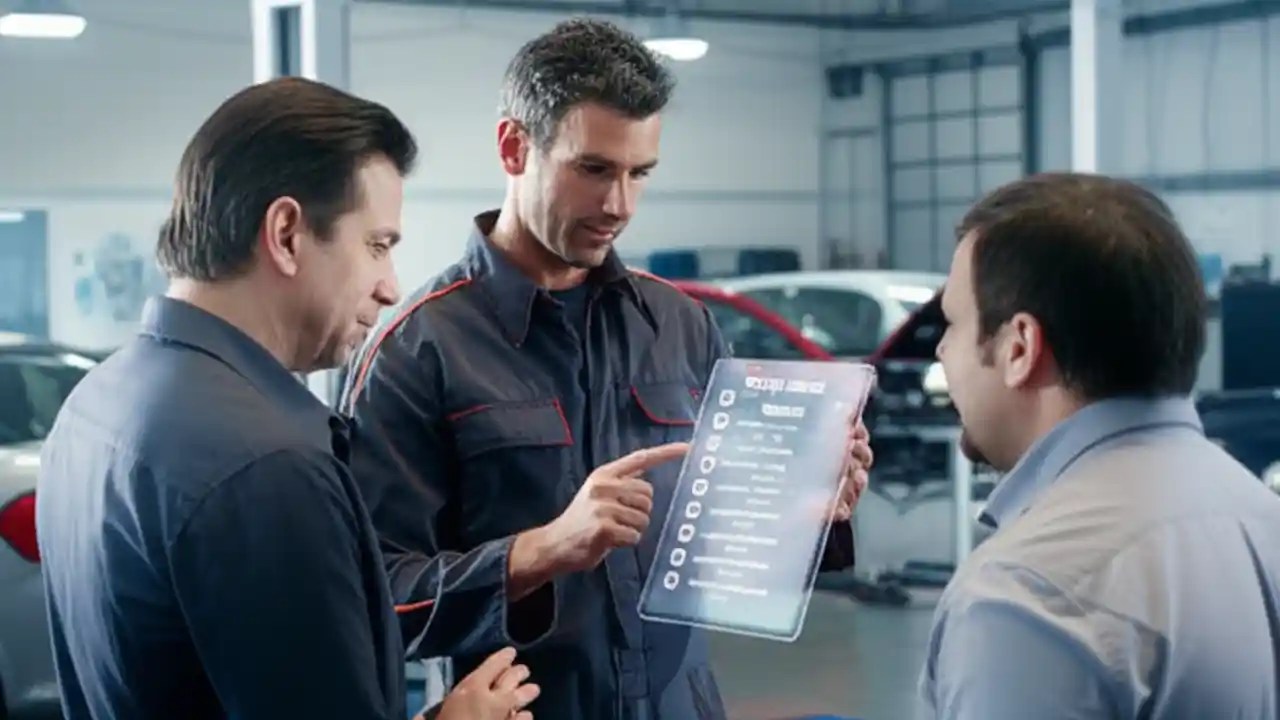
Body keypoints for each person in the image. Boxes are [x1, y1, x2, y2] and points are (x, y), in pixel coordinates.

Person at [340, 17, 874, 720]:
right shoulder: (419, 350)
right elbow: (375, 600)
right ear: (513, 147)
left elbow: (716, 549)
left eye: (639, 174)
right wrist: (543, 550)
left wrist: (808, 507)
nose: (619, 205)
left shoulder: (680, 326)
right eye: (593, 170)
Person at [35, 77, 537, 720]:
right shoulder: (268, 465)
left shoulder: (96, 403)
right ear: (287, 233)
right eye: (377, 246)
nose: (390, 287)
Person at [920, 172, 1280, 719]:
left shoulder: (1027, 595)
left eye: (951, 323)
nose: (943, 351)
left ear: (1020, 347)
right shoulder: (1261, 518)